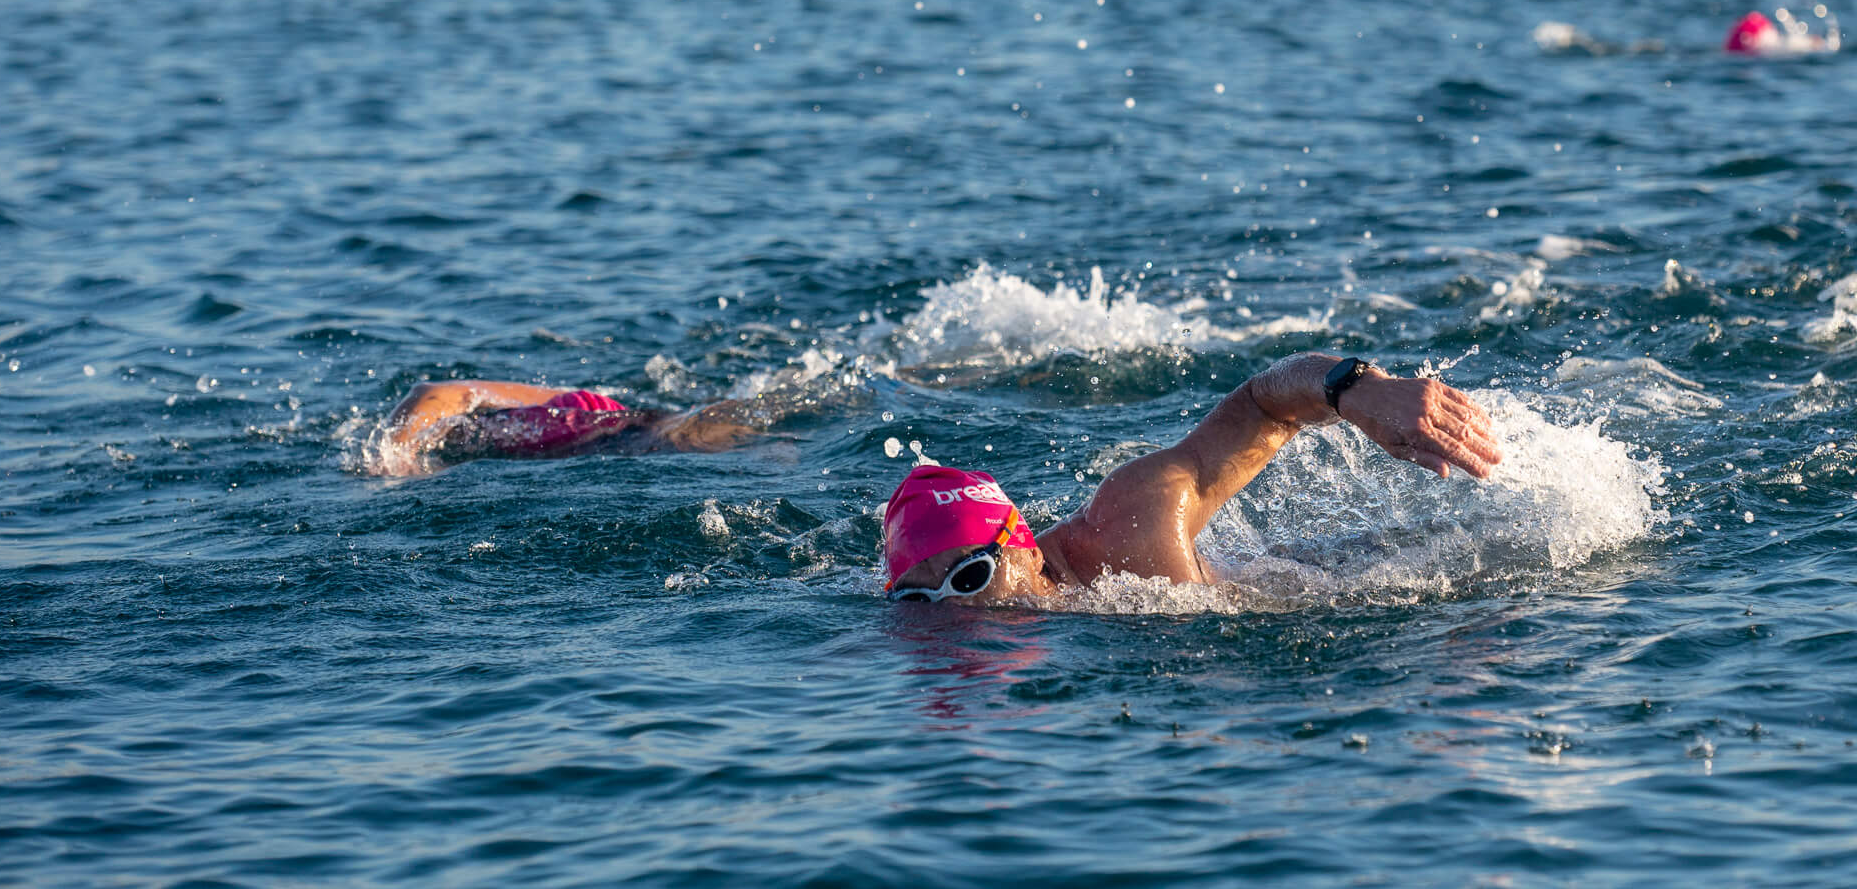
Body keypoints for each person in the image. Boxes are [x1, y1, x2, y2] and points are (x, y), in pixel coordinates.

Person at [379, 354, 1502, 602]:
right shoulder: (926, 618)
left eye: (965, 582)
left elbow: (1260, 402)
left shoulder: (1132, 525)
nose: (948, 615)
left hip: (1356, 580)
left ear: (1015, 542)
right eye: (922, 596)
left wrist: (1356, 390)